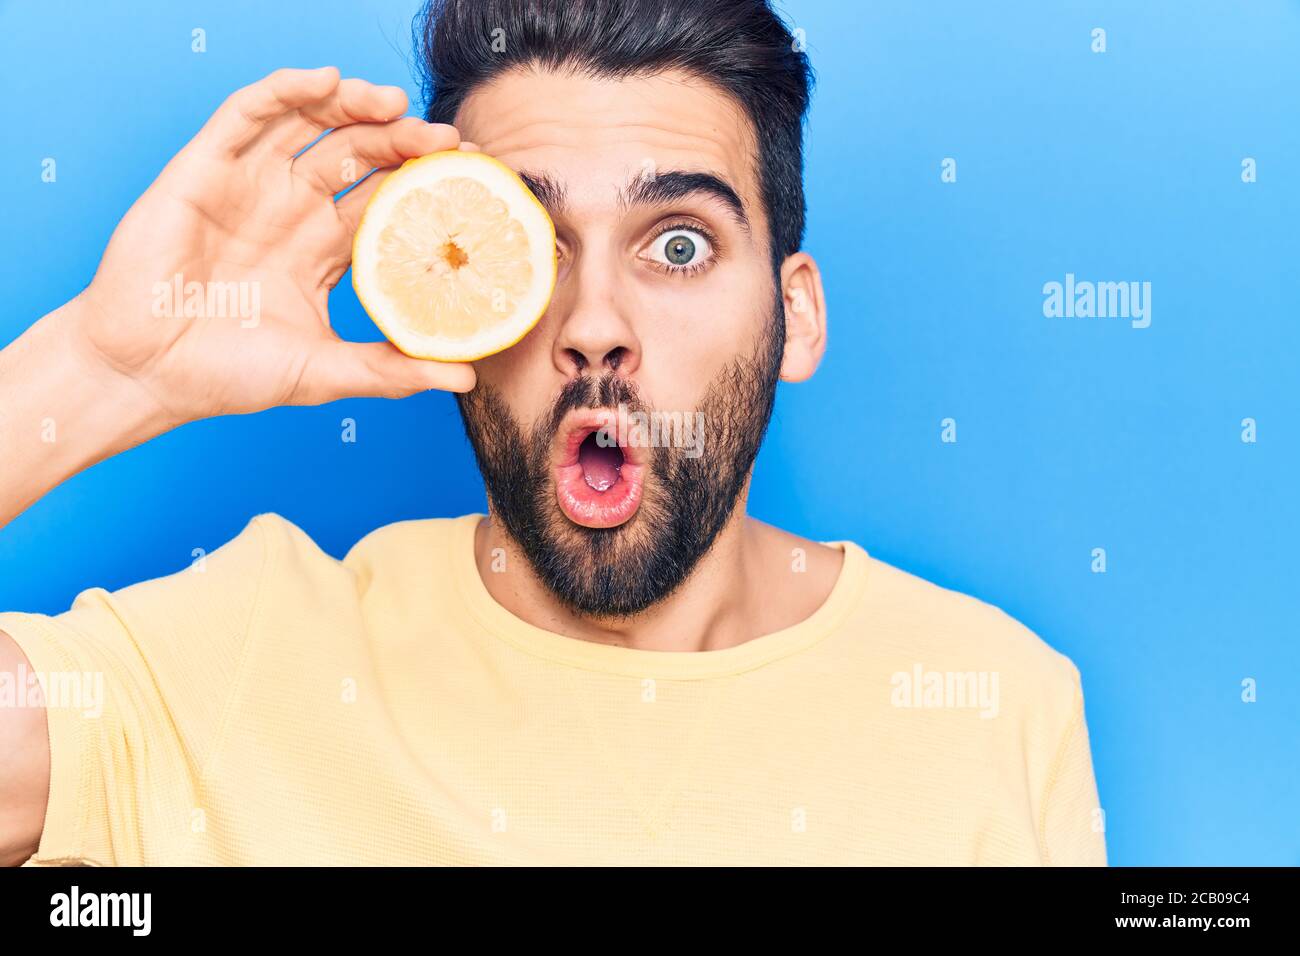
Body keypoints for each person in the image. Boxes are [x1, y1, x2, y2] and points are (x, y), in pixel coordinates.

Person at [0, 0, 1106, 866]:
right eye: (528, 236)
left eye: (677, 245)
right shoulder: (243, 655)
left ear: (795, 317)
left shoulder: (993, 698)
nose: (591, 328)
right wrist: (99, 374)